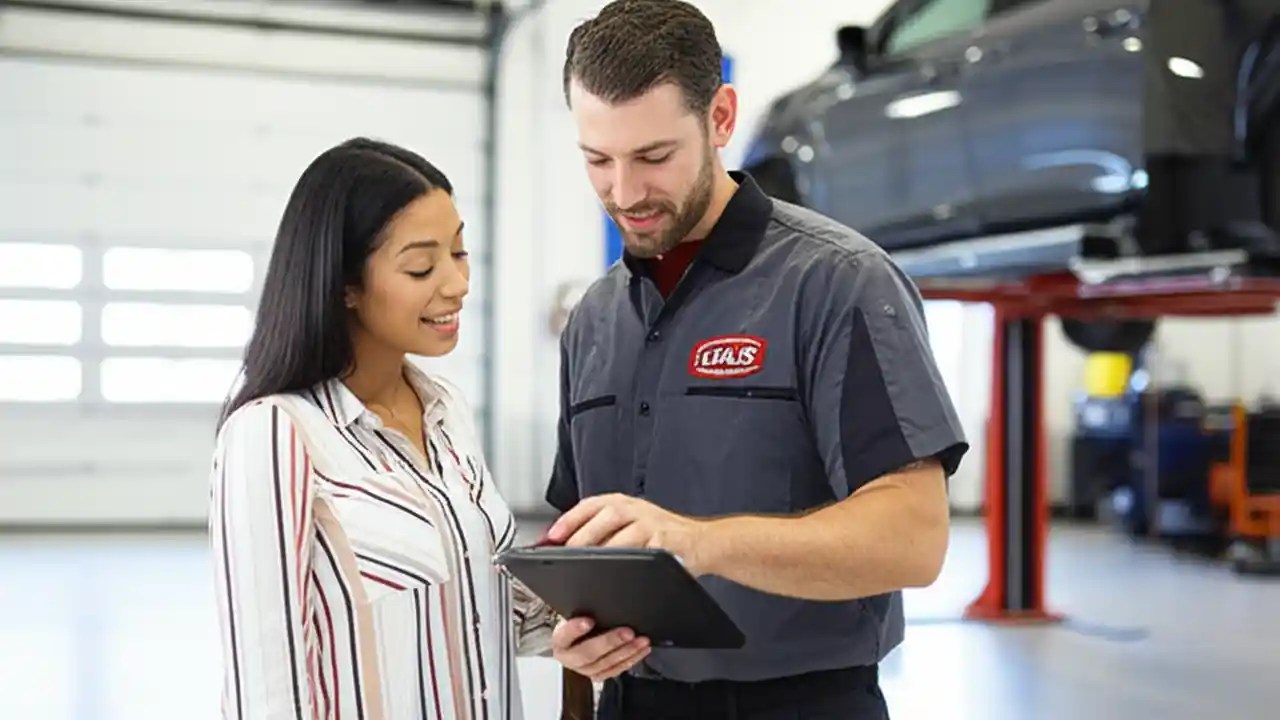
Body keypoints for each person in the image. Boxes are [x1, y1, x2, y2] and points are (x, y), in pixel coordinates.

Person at [543, 1, 970, 718]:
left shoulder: (838, 284)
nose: (623, 193)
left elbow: (913, 540)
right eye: (597, 160)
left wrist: (700, 544)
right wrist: (575, 649)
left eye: (653, 157)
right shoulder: (593, 319)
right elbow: (576, 553)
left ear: (720, 119)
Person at [208, 137, 558, 720]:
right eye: (422, 265)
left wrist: (582, 600)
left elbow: (479, 607)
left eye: (459, 252)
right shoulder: (273, 437)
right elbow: (266, 692)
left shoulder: (445, 411)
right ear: (345, 284)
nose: (457, 284)